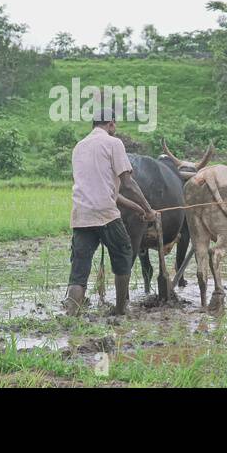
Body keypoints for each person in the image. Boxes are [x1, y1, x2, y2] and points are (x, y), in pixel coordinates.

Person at [63, 109, 157, 316]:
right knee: (124, 253)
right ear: (111, 124)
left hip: (81, 216)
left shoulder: (79, 147)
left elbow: (111, 192)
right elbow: (128, 183)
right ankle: (120, 310)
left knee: (79, 270)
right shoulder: (114, 143)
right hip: (106, 215)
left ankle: (71, 316)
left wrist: (139, 209)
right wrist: (149, 210)